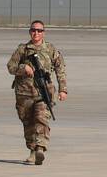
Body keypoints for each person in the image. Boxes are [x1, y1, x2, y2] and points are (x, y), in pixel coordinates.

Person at [6, 21, 67, 165]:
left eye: (39, 31)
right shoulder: (22, 49)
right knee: (28, 122)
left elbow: (60, 69)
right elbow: (10, 67)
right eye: (33, 30)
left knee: (41, 118)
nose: (36, 33)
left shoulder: (51, 49)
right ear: (30, 32)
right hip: (24, 93)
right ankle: (32, 151)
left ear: (43, 33)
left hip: (43, 92)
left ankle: (40, 148)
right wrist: (23, 68)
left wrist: (63, 89)